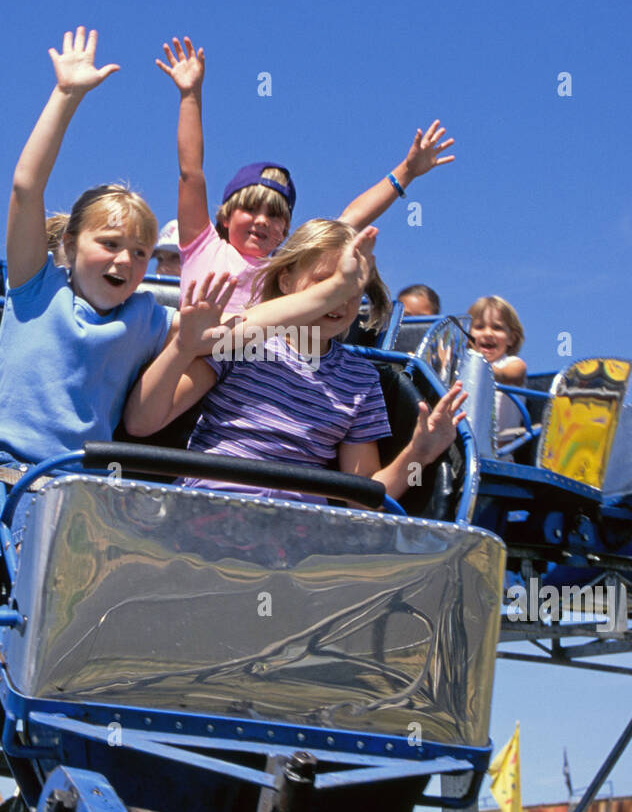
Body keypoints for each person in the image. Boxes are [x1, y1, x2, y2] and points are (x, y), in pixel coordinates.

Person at [0, 28, 372, 546]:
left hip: (88, 488)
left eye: (141, 252)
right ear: (71, 243)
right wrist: (66, 96)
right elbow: (25, 188)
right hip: (18, 479)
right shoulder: (34, 287)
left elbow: (230, 332)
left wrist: (323, 299)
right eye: (110, 243)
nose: (126, 259)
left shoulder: (144, 316)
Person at [125, 219, 466, 506]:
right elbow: (141, 423)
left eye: (352, 288)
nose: (341, 300)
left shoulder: (360, 381)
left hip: (296, 535)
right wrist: (184, 347)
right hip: (213, 506)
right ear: (286, 280)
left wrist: (417, 455)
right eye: (327, 283)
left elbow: (361, 499)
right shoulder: (241, 344)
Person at [156, 36, 455, 313]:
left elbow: (350, 219)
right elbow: (191, 173)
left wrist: (407, 172)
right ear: (225, 217)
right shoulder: (202, 244)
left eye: (274, 215)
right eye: (249, 209)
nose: (262, 220)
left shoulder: (285, 273)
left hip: (255, 369)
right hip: (198, 360)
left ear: (286, 230)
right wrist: (191, 95)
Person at [466, 295, 528, 436]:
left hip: (499, 451)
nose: (488, 333)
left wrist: (477, 369)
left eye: (497, 328)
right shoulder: (462, 365)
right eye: (479, 327)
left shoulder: (512, 363)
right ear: (468, 335)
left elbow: (513, 374)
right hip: (461, 443)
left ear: (511, 338)